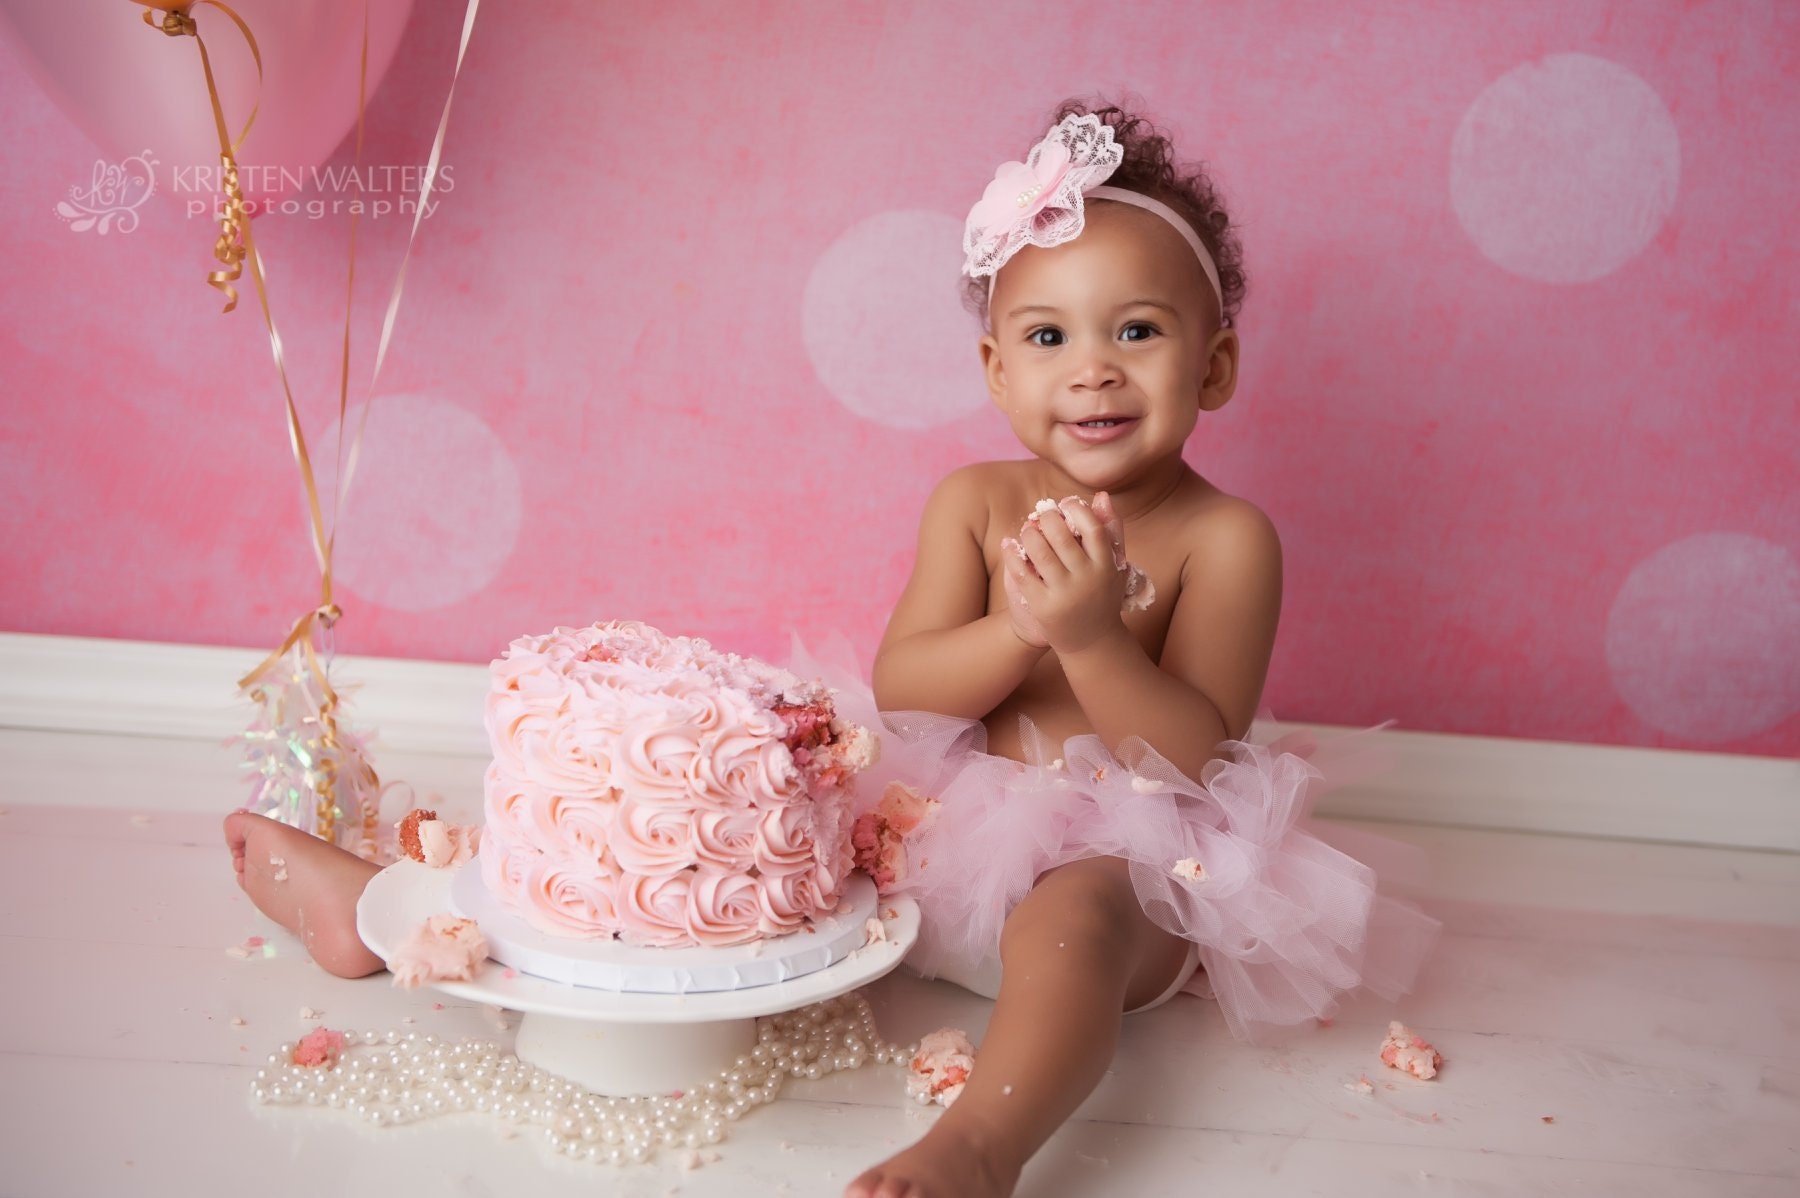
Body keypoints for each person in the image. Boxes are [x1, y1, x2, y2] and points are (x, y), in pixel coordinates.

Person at [832, 100, 1439, 1198]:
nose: (1094, 371)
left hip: (1137, 870)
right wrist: (1017, 627)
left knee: (1078, 915)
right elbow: (905, 690)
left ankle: (979, 1146)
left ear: (1213, 366)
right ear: (997, 369)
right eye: (1050, 336)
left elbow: (1199, 756)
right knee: (777, 807)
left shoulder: (1226, 537)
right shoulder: (973, 504)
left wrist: (1091, 635)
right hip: (952, 849)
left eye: (1139, 331)